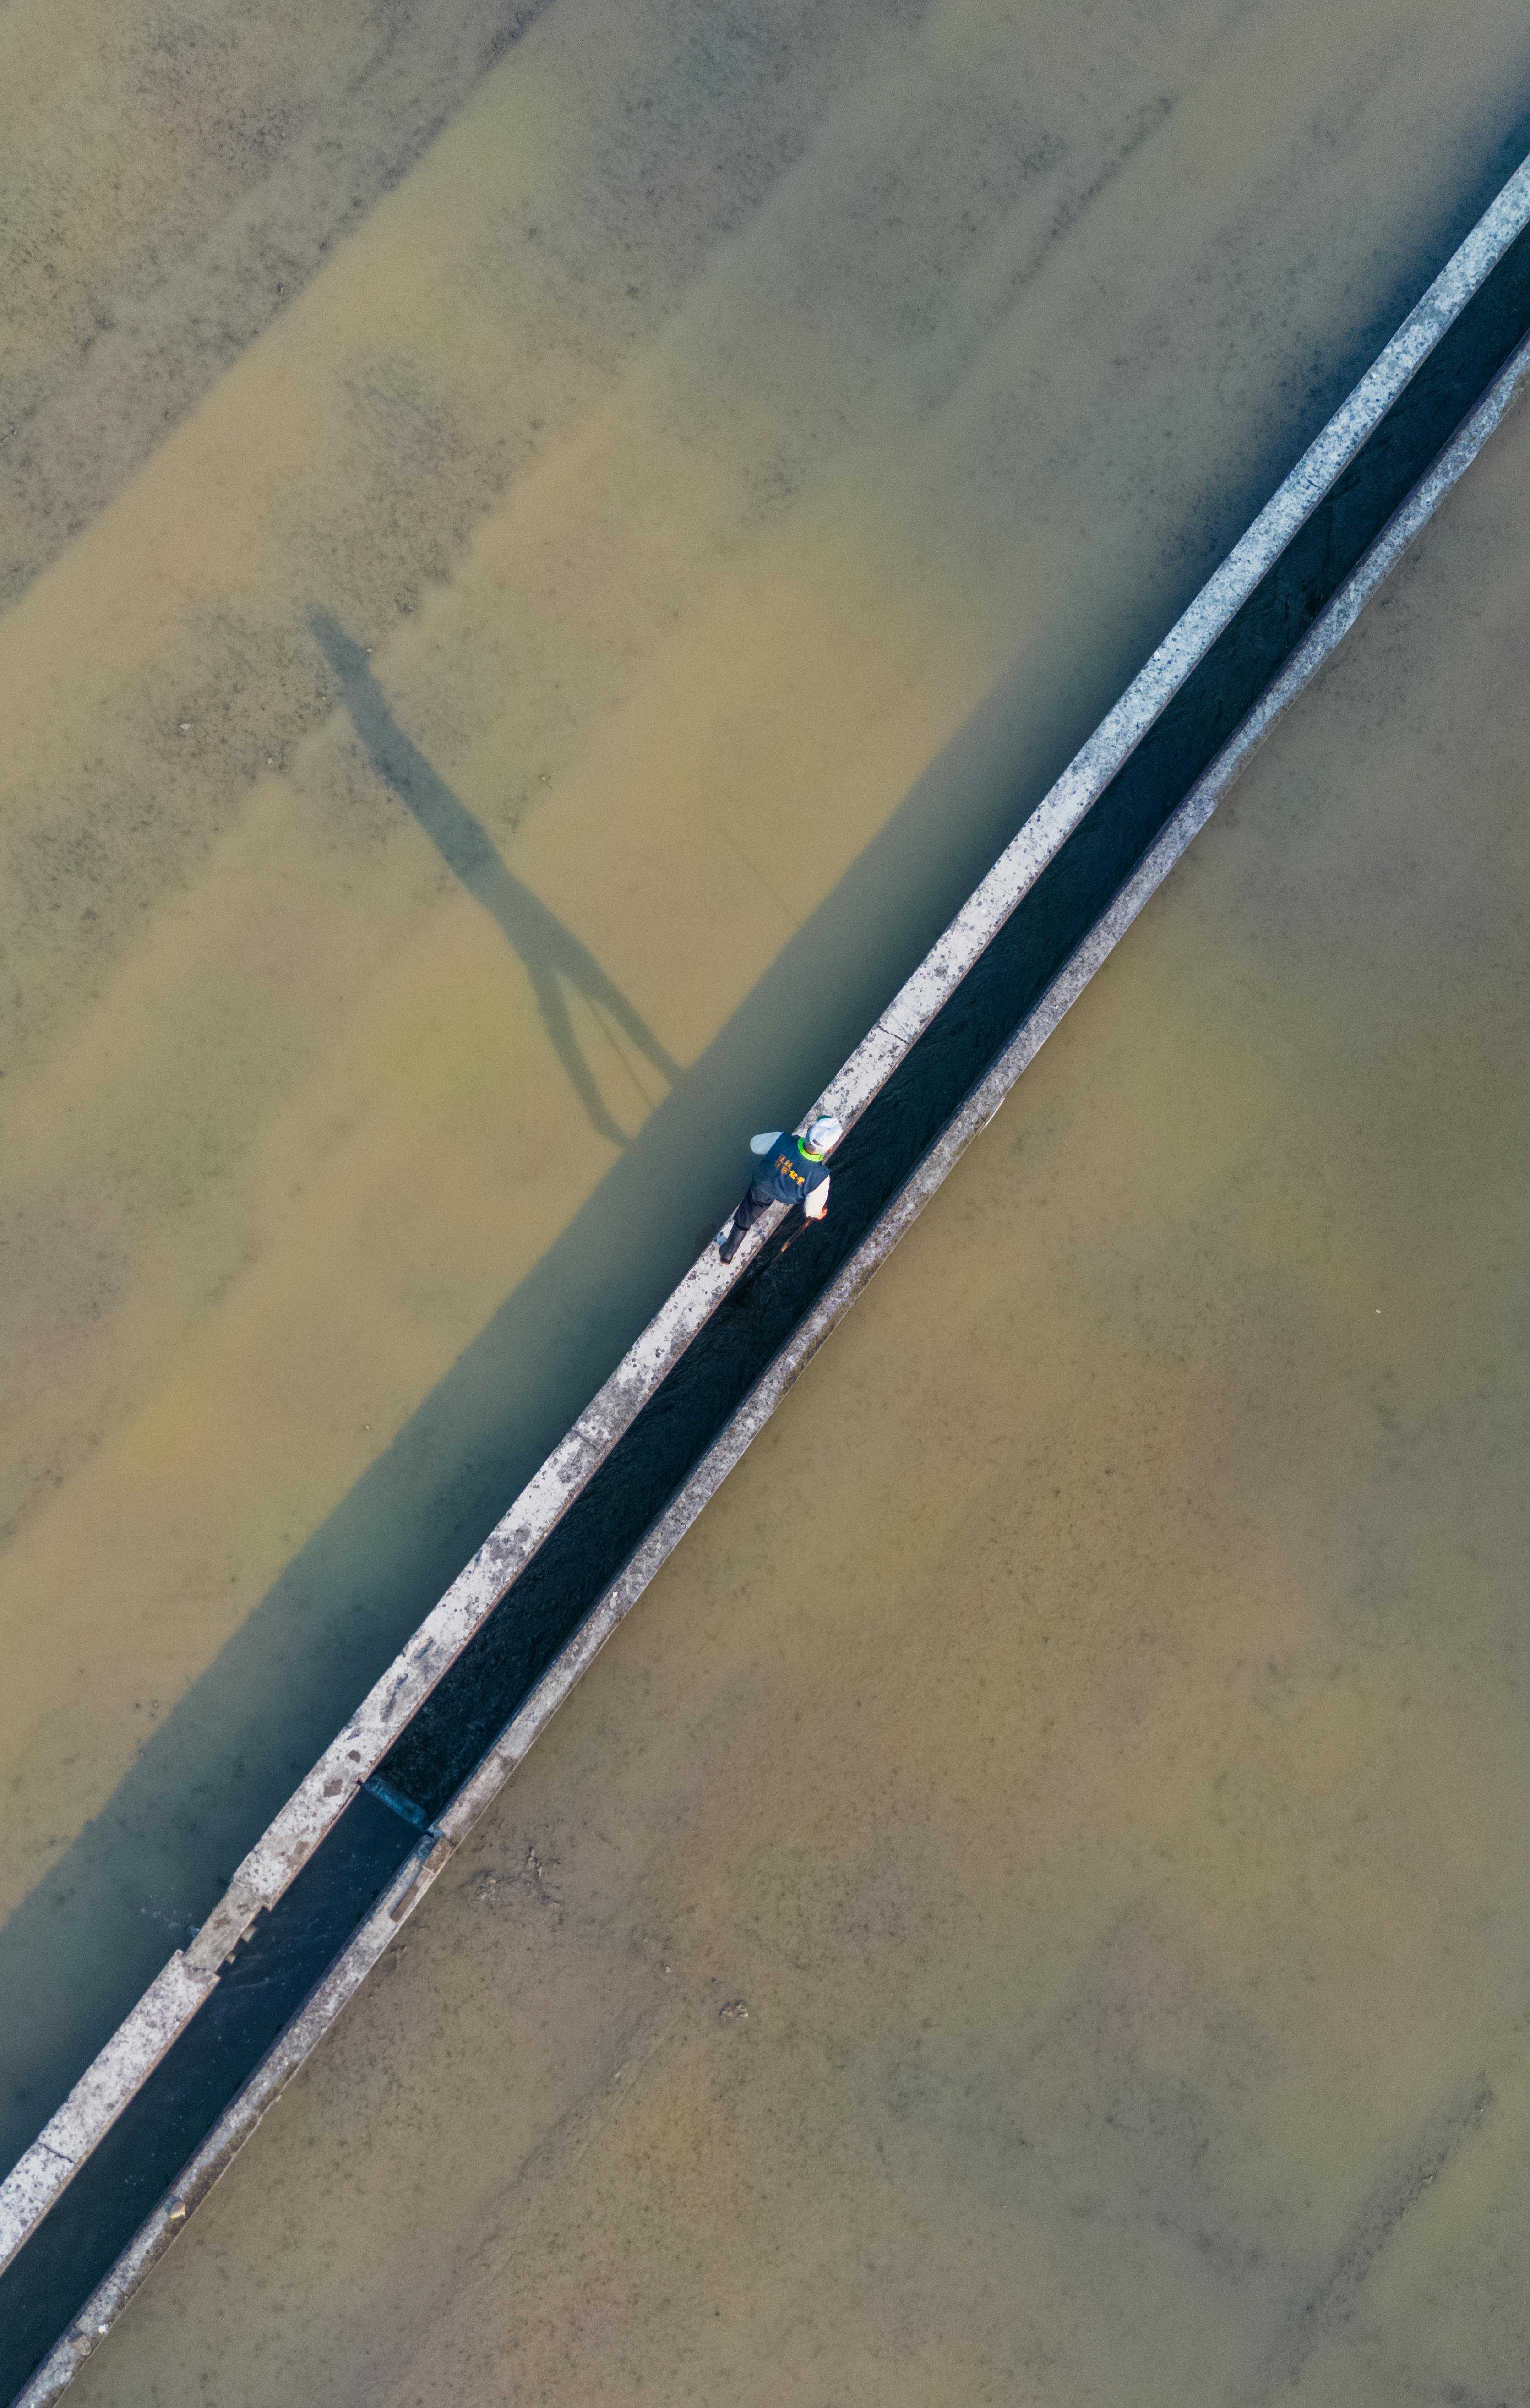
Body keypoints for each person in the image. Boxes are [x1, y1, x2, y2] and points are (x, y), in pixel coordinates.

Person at [715, 1115, 843, 1264]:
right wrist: (820, 1213)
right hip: (788, 1195)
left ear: (808, 1130)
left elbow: (755, 1145)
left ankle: (728, 1252)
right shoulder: (821, 1177)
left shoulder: (783, 1139)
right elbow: (811, 1211)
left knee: (747, 1216)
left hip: (763, 1185)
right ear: (830, 1148)